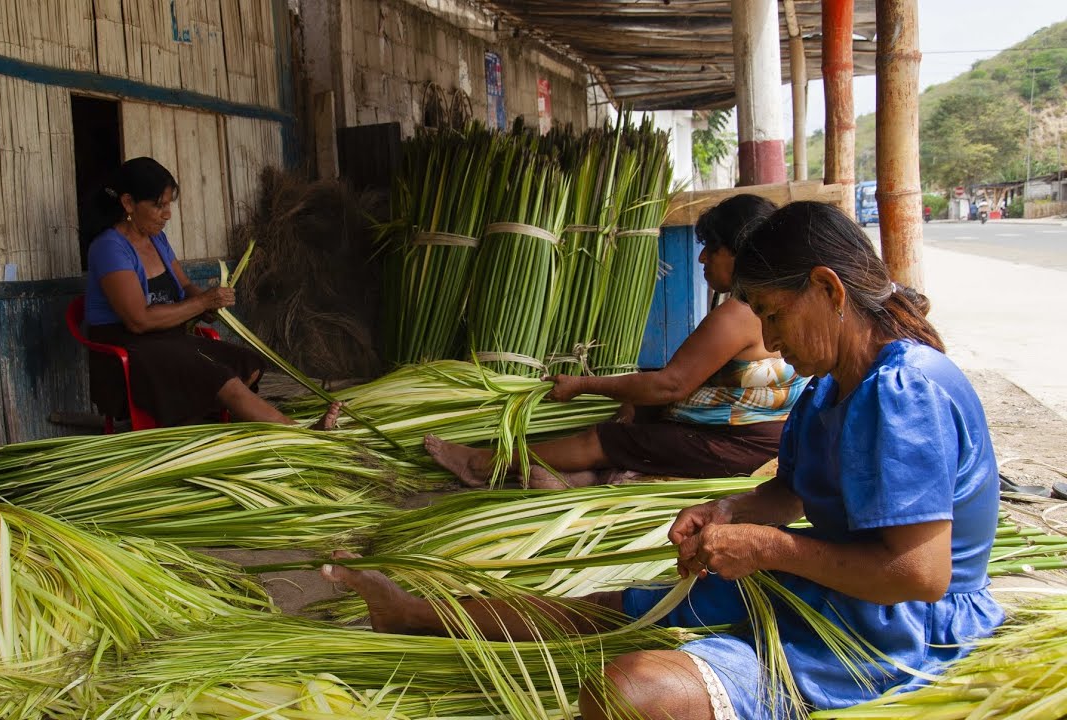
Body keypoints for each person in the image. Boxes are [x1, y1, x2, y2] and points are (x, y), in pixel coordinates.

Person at [325, 200, 1003, 719]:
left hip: (898, 635)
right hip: (832, 593)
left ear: (828, 289)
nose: (768, 339)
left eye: (774, 314)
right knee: (621, 607)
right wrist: (727, 510)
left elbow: (920, 575)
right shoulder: (828, 389)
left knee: (626, 693)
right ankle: (414, 615)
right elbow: (788, 493)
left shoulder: (903, 391)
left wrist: (768, 547)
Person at [426, 194, 808, 488]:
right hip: (765, 436)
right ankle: (581, 479)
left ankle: (485, 463)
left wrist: (583, 385)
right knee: (636, 409)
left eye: (713, 247)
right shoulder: (775, 301)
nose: (703, 258)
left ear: (740, 250)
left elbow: (671, 385)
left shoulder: (738, 314)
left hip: (736, 445)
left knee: (607, 438)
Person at [83, 157, 340, 428]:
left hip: (167, 341)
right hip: (129, 352)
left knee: (248, 364)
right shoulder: (110, 248)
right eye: (159, 205)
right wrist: (202, 302)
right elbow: (139, 321)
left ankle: (218, 426)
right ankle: (301, 433)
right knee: (221, 379)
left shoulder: (156, 239)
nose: (167, 214)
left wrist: (207, 303)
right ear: (128, 203)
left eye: (169, 204)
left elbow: (185, 286)